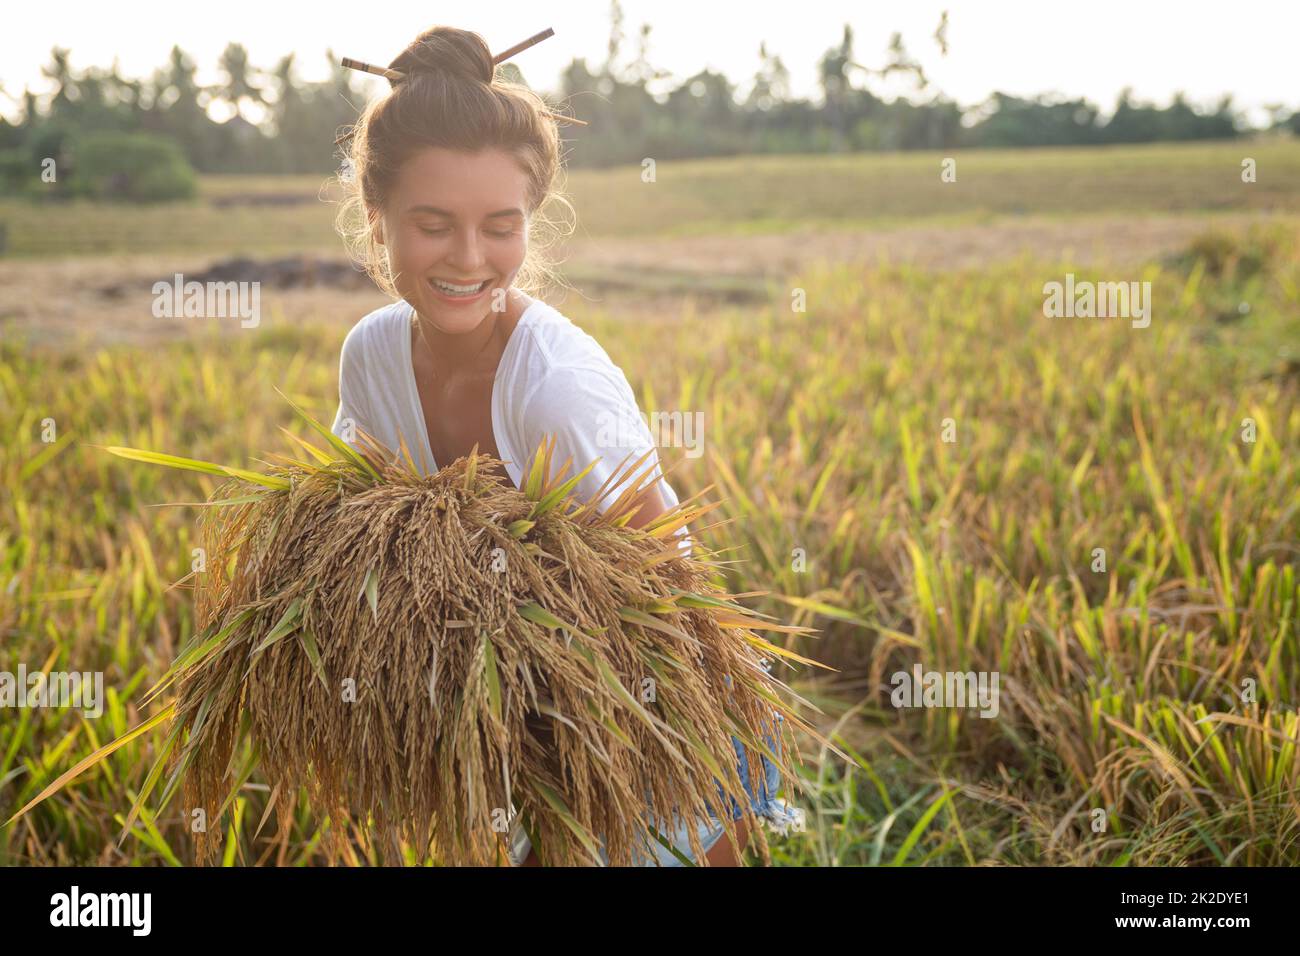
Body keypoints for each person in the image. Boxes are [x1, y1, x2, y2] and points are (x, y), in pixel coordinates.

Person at [329, 24, 798, 866]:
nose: (468, 259)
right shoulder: (369, 357)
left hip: (636, 698)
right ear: (377, 219)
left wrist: (683, 782)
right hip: (499, 699)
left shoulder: (554, 388)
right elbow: (368, 531)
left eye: (499, 227)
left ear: (531, 222)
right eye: (432, 225)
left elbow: (674, 599)